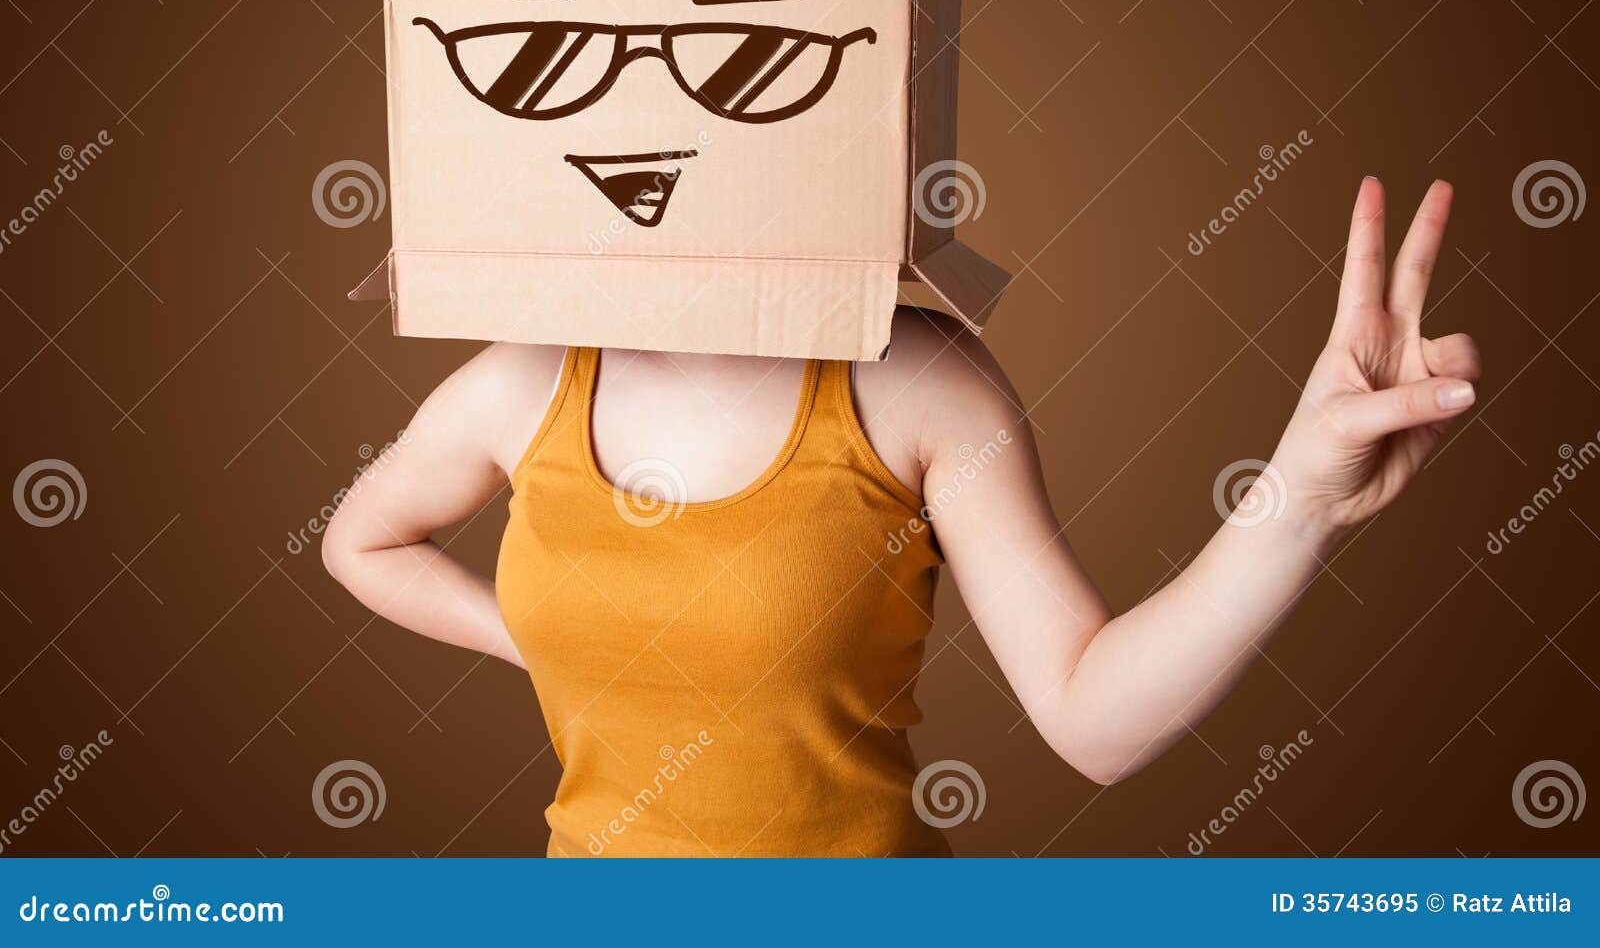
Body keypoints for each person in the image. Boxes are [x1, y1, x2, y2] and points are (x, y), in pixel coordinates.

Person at [323, 177, 1480, 856]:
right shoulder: (517, 384)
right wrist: (561, 642)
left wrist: (1298, 497)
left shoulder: (913, 379)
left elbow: (1093, 721)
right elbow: (360, 541)